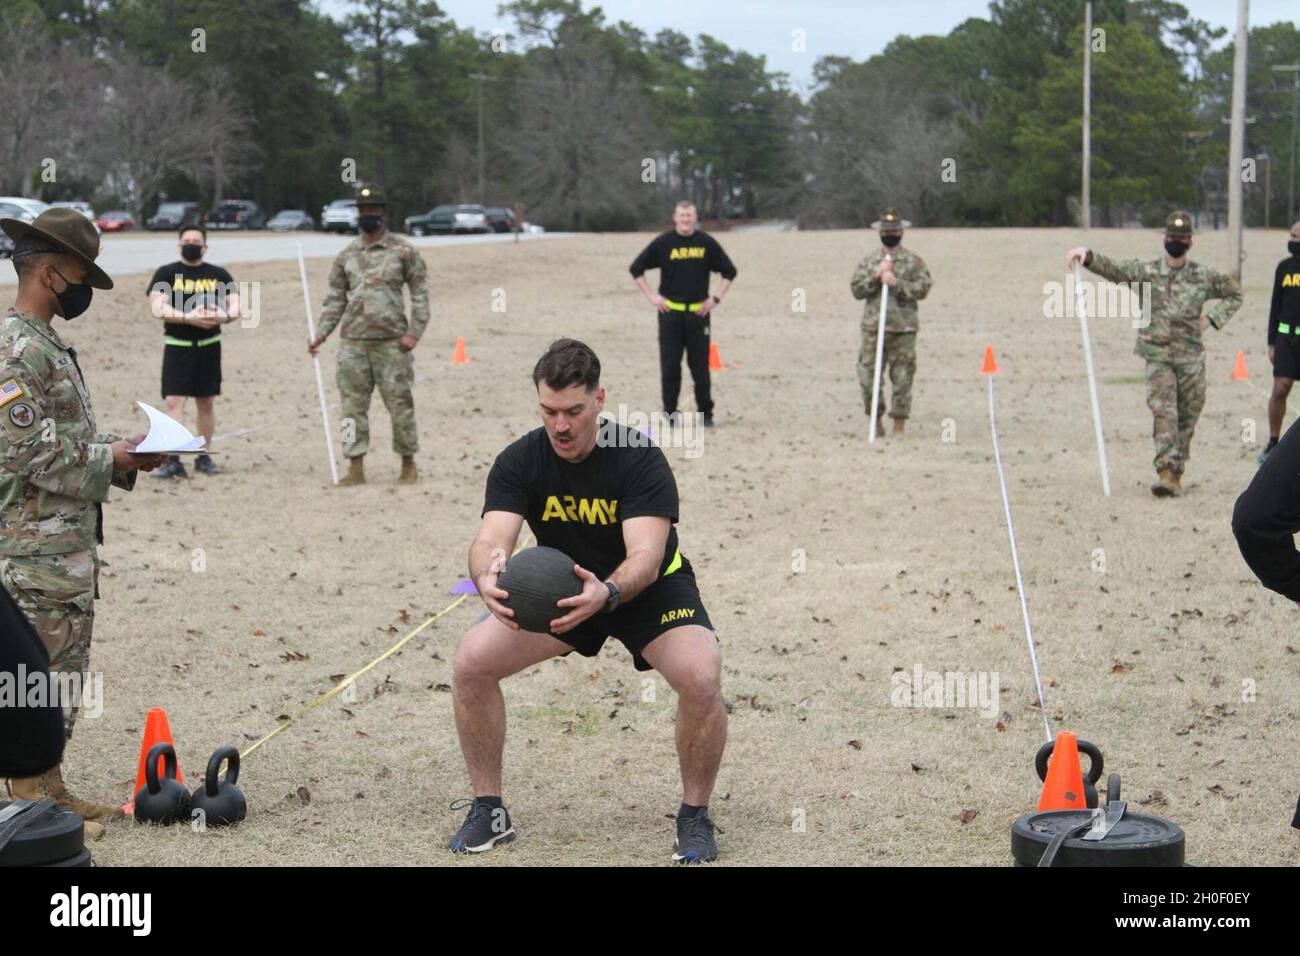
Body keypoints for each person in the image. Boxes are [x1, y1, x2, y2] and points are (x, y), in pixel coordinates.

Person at [449, 339, 726, 862]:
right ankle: (489, 810)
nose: (561, 426)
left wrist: (611, 591)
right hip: (561, 593)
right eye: (549, 411)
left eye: (573, 411)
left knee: (702, 674)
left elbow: (646, 553)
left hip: (644, 590)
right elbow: (492, 536)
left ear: (600, 400)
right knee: (470, 665)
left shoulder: (637, 457)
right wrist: (486, 573)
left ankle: (694, 816)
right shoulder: (520, 460)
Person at [0, 208, 164, 836]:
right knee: (33, 675)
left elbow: (64, 438)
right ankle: (27, 801)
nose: (83, 292)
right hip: (32, 548)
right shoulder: (18, 351)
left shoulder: (46, 346)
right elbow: (26, 453)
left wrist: (126, 454)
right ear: (48, 273)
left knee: (63, 672)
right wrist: (114, 457)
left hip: (64, 545)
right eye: (78, 277)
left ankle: (51, 788)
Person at [1067, 211, 1241, 497]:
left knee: (1188, 414)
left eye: (1181, 238)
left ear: (1190, 242)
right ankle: (1166, 472)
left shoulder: (1203, 277)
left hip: (1190, 358)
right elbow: (1116, 270)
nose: (1176, 242)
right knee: (1164, 410)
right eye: (1172, 237)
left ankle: (1177, 467)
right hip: (1157, 354)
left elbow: (1235, 294)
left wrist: (1211, 320)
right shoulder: (1146, 273)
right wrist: (1087, 256)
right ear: (1165, 239)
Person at [308, 183, 429, 485]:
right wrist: (321, 333)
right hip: (354, 345)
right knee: (351, 409)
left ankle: (408, 463)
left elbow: (420, 294)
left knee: (400, 406)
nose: (367, 216)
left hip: (392, 344)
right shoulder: (346, 255)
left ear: (384, 214)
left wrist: (414, 332)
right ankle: (355, 466)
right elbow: (335, 298)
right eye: (362, 211)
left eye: (372, 211)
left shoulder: (404, 251)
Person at [629, 201, 737, 427]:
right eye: (682, 215)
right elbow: (636, 268)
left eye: (689, 215)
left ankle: (706, 414)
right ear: (675, 217)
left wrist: (715, 298)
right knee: (670, 366)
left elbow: (730, 271)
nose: (686, 219)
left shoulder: (705, 243)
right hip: (670, 315)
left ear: (695, 217)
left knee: (699, 367)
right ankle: (670, 413)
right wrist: (652, 296)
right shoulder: (664, 242)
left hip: (698, 314)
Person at [146, 225, 239, 478]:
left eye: (196, 240)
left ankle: (203, 457)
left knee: (206, 402)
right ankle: (172, 460)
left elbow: (236, 307)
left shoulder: (219, 275)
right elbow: (157, 307)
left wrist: (222, 316)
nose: (191, 243)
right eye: (186, 240)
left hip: (209, 348)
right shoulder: (166, 273)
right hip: (178, 347)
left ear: (205, 246)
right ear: (179, 244)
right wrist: (188, 318)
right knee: (174, 401)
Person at [850, 207, 932, 438]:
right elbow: (856, 290)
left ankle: (899, 423)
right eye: (887, 230)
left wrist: (897, 284)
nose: (891, 234)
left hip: (902, 329)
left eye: (895, 230)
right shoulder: (869, 261)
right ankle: (874, 419)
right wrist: (876, 276)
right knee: (867, 377)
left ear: (902, 232)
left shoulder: (913, 262)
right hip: (873, 328)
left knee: (903, 377)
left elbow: (923, 289)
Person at [1259, 220, 1300, 464]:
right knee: (1280, 388)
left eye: (1298, 237)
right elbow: (1275, 304)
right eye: (1292, 235)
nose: (1293, 241)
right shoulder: (1283, 268)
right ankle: (1273, 442)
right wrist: (1271, 341)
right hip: (1286, 338)